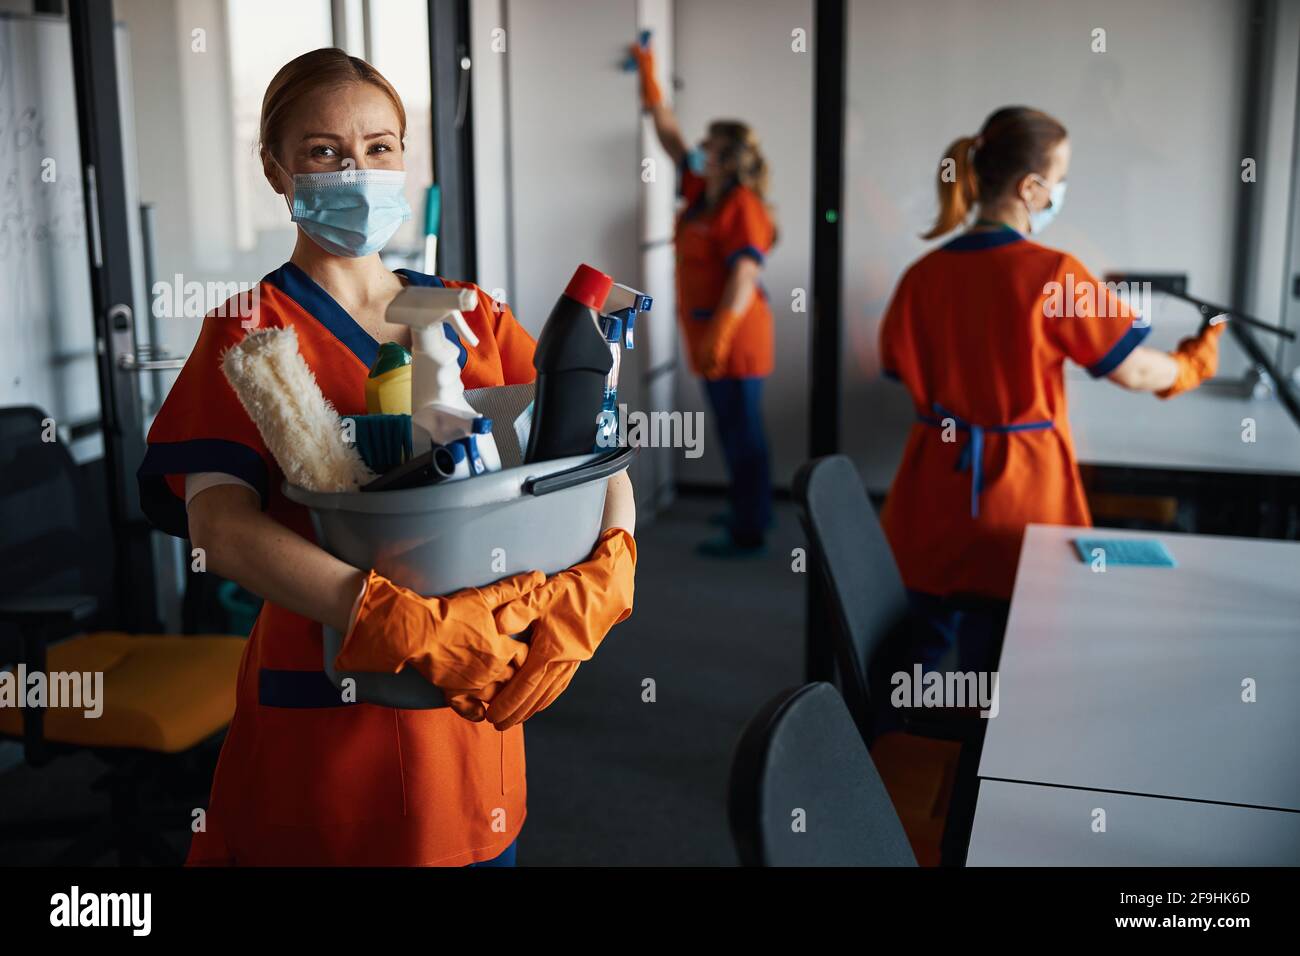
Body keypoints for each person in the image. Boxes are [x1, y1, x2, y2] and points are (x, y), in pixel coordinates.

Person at [137, 48, 637, 866]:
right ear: (276, 168)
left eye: (379, 147)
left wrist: (606, 574)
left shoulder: (467, 311)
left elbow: (590, 451)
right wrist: (397, 623)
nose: (356, 170)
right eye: (323, 151)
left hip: (477, 696)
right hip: (335, 709)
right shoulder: (251, 328)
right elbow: (219, 531)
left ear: (405, 157)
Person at [879, 106, 1223, 674]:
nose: (1062, 191)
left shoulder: (921, 275)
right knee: (1005, 664)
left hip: (929, 493)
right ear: (1030, 187)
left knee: (906, 659)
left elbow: (898, 366)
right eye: (1060, 179)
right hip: (1019, 496)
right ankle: (983, 758)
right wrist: (1195, 360)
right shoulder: (1055, 273)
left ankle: (880, 755)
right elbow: (1135, 371)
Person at [632, 41, 777, 558]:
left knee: (743, 432)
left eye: (709, 145)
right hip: (709, 328)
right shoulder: (702, 191)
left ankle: (749, 526)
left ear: (727, 157)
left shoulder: (740, 205)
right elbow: (671, 138)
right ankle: (747, 504)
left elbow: (743, 273)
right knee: (732, 426)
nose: (699, 148)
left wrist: (720, 331)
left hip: (735, 332)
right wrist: (650, 82)